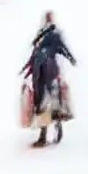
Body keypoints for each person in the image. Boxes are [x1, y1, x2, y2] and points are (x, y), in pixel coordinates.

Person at [24, 13, 76, 147]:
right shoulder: (41, 36)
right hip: (40, 73)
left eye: (49, 19)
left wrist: (70, 58)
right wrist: (27, 68)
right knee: (44, 102)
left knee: (46, 102)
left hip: (49, 72)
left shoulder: (53, 34)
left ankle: (46, 134)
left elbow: (62, 48)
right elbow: (35, 54)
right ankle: (53, 128)